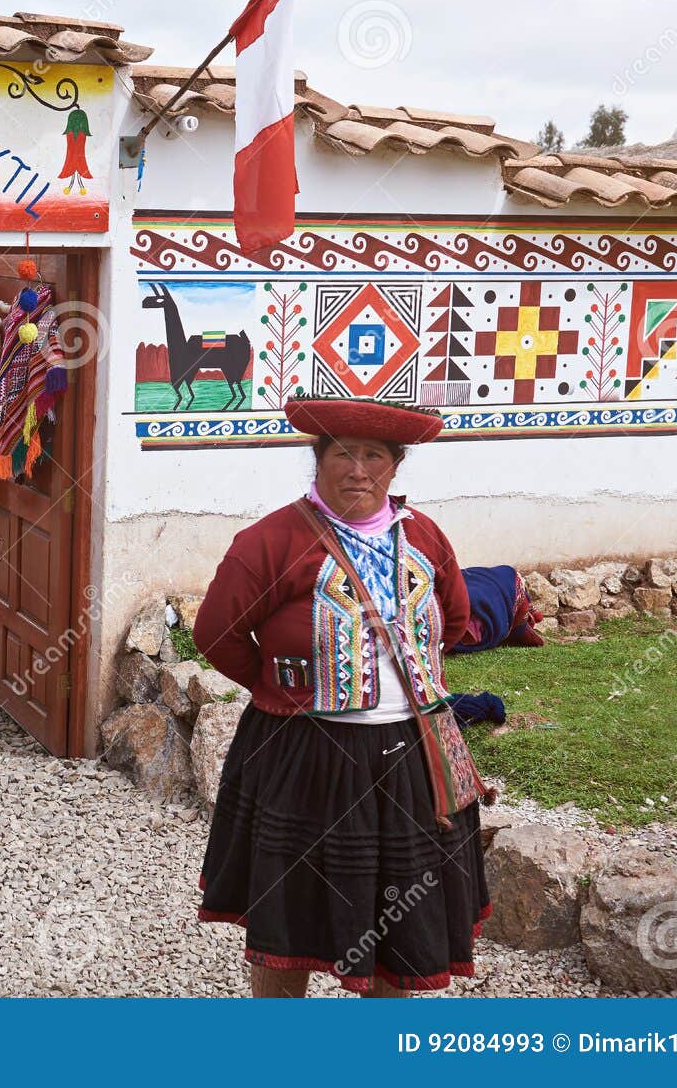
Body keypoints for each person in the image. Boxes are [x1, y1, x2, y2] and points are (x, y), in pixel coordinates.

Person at [192, 397, 489, 998]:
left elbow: (454, 621)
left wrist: (403, 669)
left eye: (374, 456)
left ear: (395, 467)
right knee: (291, 910)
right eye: (342, 454)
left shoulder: (425, 537)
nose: (358, 470)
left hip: (411, 752)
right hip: (305, 750)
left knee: (403, 912)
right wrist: (282, 689)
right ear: (318, 460)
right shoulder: (272, 541)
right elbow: (217, 633)